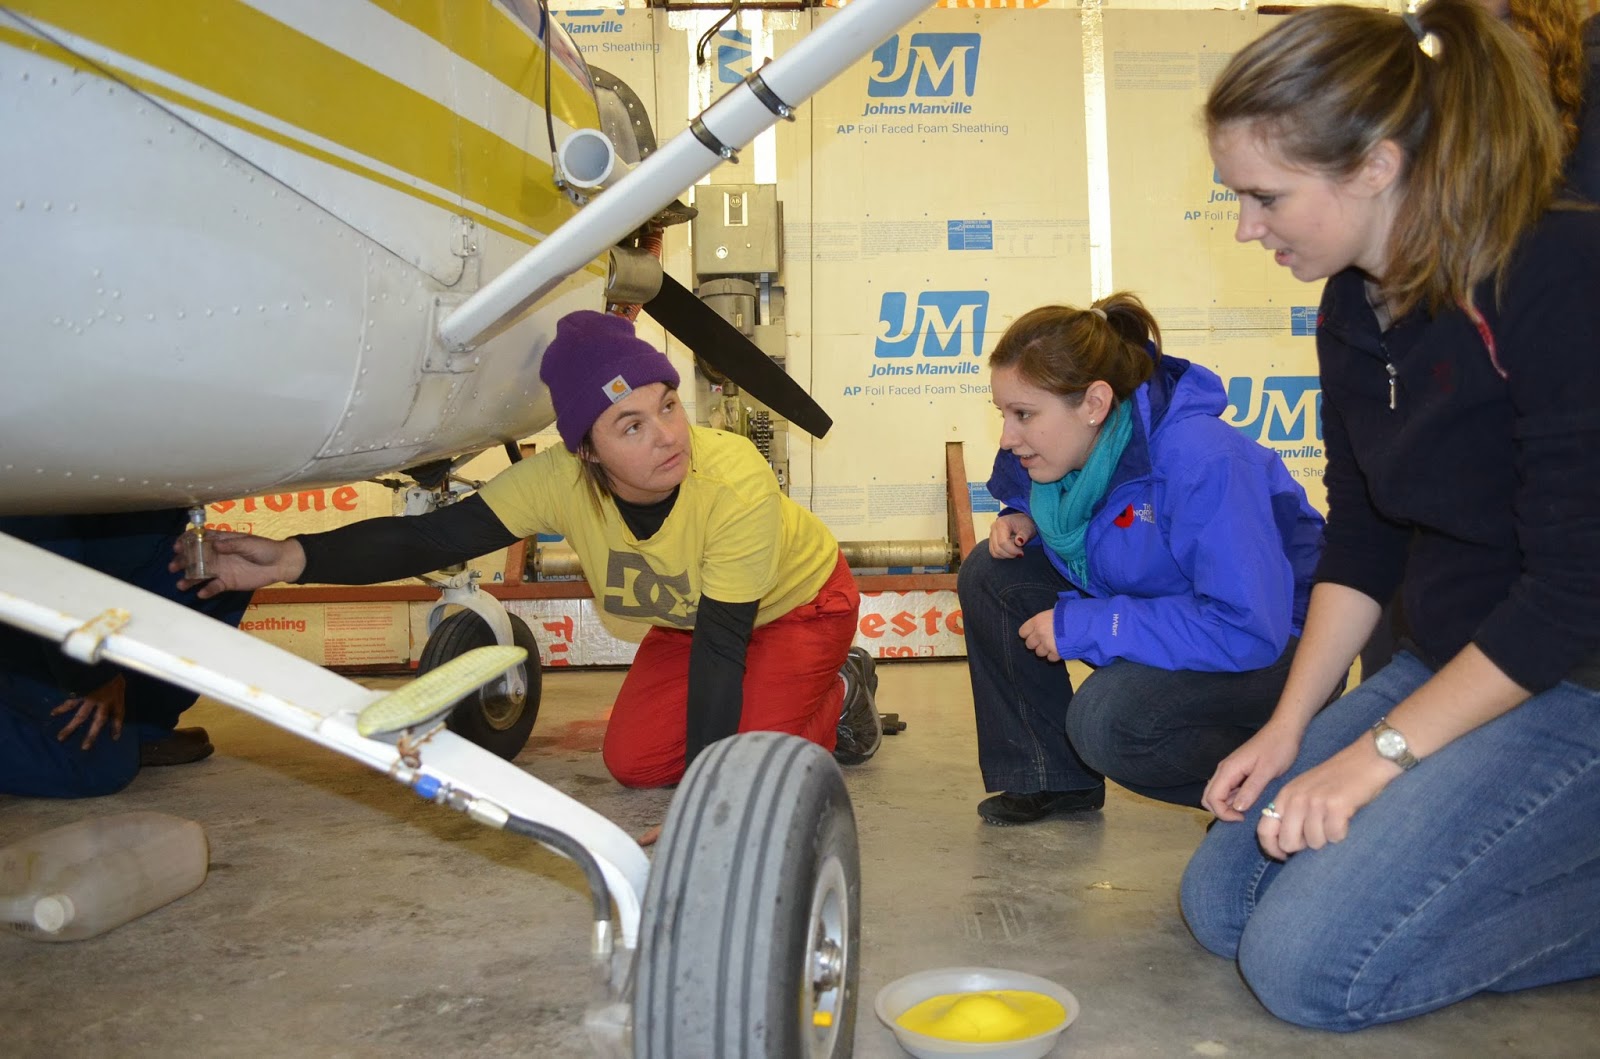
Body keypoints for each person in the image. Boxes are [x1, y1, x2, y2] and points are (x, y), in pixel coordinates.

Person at [1183, 0, 1600, 1030]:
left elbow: (1574, 595)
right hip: (1462, 648)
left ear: (1373, 165)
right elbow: (1361, 538)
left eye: (1264, 197)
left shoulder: (1556, 274)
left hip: (1578, 673)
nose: (1245, 228)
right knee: (1222, 902)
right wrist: (1292, 728)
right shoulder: (1349, 303)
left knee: (1312, 968)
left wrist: (1376, 760)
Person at [176, 309, 882, 787]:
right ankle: (811, 696)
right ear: (587, 451)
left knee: (747, 771)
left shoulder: (732, 482)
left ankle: (844, 686)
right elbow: (432, 534)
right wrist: (295, 558)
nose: (667, 434)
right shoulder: (556, 480)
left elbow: (725, 648)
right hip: (696, 621)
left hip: (798, 608)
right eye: (629, 425)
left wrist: (704, 806)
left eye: (667, 404)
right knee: (634, 761)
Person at [957, 292, 1324, 824]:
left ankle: (1276, 790)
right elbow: (1111, 520)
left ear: (1095, 404)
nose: (1008, 436)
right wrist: (1029, 517)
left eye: (1024, 414)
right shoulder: (1076, 446)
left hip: (1280, 646)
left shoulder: (1201, 459)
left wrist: (1090, 624)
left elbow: (1245, 625)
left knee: (1107, 722)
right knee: (994, 574)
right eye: (1003, 413)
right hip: (1183, 612)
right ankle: (1052, 778)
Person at [0, 511, 250, 798]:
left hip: (98, 588)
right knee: (96, 770)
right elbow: (38, 560)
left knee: (223, 574)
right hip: (23, 603)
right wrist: (90, 674)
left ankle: (142, 729)